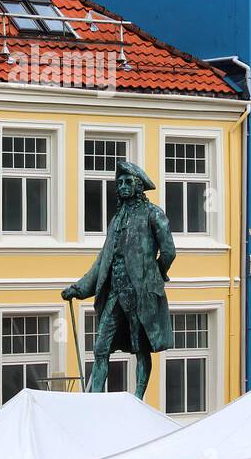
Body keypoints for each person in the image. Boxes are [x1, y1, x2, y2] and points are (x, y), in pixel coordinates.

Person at [63, 161, 175, 399]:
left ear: (138, 186)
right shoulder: (116, 221)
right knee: (100, 348)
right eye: (119, 183)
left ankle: (137, 398)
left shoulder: (153, 214)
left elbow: (168, 251)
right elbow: (102, 261)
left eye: (127, 182)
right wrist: (79, 289)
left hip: (140, 293)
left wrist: (153, 275)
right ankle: (92, 399)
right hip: (115, 292)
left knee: (140, 348)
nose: (122, 186)